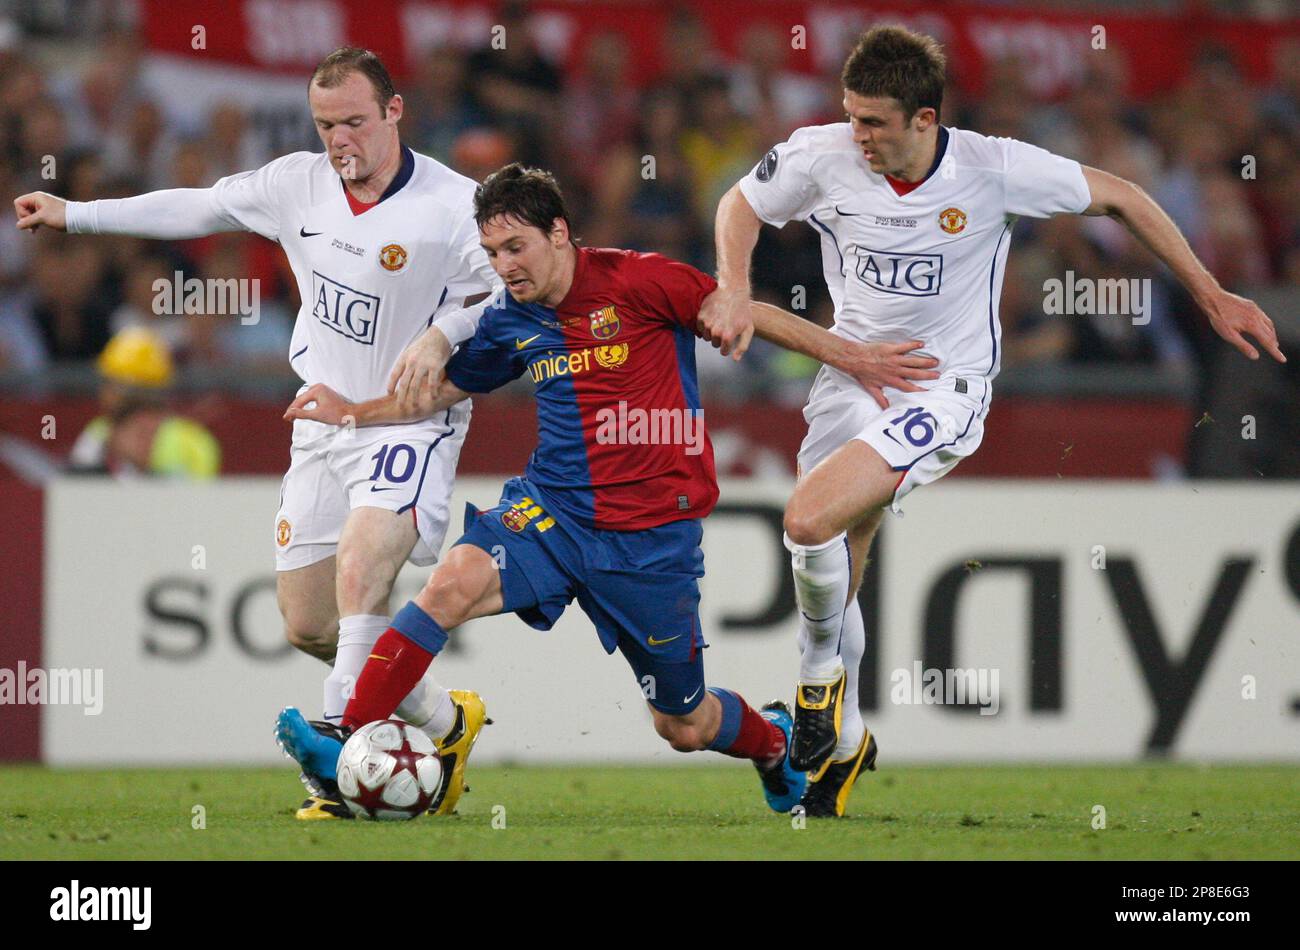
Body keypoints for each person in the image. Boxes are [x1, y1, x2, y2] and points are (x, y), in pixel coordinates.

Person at [699, 25, 1287, 817]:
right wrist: (732, 285)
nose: (858, 135)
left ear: (925, 119)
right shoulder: (821, 153)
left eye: (874, 122)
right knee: (848, 548)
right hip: (850, 378)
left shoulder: (993, 167)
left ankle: (816, 689)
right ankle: (847, 738)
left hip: (944, 388)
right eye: (851, 116)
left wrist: (1210, 293)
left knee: (808, 522)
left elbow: (1123, 195)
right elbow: (742, 202)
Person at [273, 163, 937, 814]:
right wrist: (354, 410)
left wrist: (853, 356)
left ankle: (773, 743)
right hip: (551, 514)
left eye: (515, 247)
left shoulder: (641, 280)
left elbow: (746, 311)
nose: (503, 266)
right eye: (491, 252)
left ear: (559, 233)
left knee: (683, 724)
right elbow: (439, 391)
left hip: (649, 542)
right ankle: (345, 737)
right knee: (447, 587)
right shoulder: (510, 318)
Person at [14, 47, 502, 820]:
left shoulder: (455, 203)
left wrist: (445, 332)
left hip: (411, 416)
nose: (340, 140)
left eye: (354, 122)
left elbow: (514, 286)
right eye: (324, 125)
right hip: (320, 421)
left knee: (363, 562)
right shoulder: (294, 184)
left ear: (395, 111)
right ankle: (447, 722)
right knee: (311, 623)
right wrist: (75, 213)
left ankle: (339, 764)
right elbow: (198, 206)